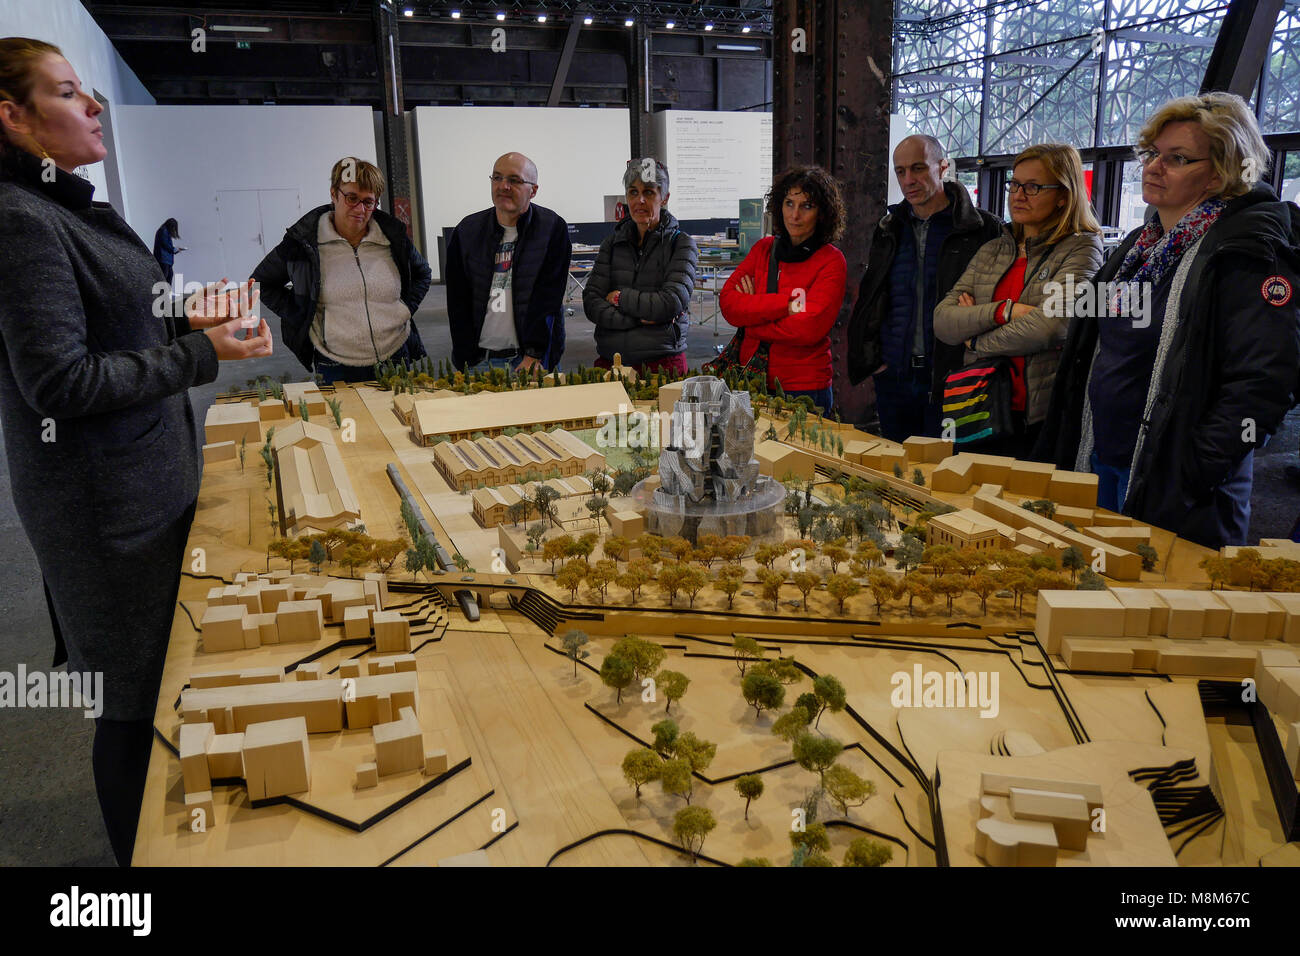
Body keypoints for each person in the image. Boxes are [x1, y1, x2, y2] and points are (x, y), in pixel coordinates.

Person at [0, 38, 271, 865]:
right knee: (128, 702)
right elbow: (61, 383)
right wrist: (201, 356)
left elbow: (104, 324)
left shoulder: (64, 204)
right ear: (12, 116)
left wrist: (181, 319)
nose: (92, 106)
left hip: (137, 489)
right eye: (69, 93)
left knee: (157, 679)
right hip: (104, 512)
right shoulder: (21, 221)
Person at [1036, 93, 1300, 549]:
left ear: (1221, 172)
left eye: (1177, 158)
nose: (1154, 167)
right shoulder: (1143, 244)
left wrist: (1192, 471)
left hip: (1177, 481)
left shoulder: (1248, 253)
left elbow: (1263, 382)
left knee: (1156, 610)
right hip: (1105, 456)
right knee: (1098, 599)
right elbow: (1093, 329)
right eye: (1152, 154)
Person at [933, 143, 1104, 457]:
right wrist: (1004, 311)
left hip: (1037, 419)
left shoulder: (1083, 248)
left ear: (1064, 195)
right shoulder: (994, 249)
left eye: (1033, 187)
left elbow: (1051, 326)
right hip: (978, 405)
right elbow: (943, 321)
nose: (1017, 195)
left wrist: (974, 341)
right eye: (1014, 184)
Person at [846, 134, 1003, 441]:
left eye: (918, 168)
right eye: (901, 171)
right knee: (896, 469)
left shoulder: (981, 229)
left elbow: (996, 300)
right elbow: (875, 296)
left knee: (946, 475)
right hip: (895, 375)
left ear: (943, 167)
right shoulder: (889, 228)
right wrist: (878, 363)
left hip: (954, 374)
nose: (909, 180)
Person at [252, 156, 430, 385]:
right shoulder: (304, 242)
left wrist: (404, 309)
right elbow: (262, 282)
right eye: (352, 198)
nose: (360, 209)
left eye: (368, 202)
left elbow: (423, 273)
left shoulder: (392, 238)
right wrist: (303, 314)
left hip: (395, 357)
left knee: (399, 419)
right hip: (336, 365)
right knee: (343, 420)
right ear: (334, 194)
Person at [718, 165, 847, 412]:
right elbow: (728, 304)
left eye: (806, 206)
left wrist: (752, 317)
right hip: (752, 379)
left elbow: (808, 328)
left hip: (803, 388)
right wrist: (786, 305)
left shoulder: (831, 260)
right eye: (789, 203)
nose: (794, 215)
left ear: (822, 213)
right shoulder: (763, 249)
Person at [446, 151, 572, 374]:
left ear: (533, 190)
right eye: (497, 178)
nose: (503, 186)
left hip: (530, 363)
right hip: (478, 361)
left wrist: (534, 354)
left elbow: (548, 299)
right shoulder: (467, 230)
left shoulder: (551, 228)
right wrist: (465, 357)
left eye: (514, 180)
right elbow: (458, 302)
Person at [583, 158, 698, 377]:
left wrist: (619, 299)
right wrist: (639, 319)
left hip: (662, 365)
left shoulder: (681, 244)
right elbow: (591, 301)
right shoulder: (612, 244)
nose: (640, 201)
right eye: (633, 192)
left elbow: (671, 302)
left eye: (649, 192)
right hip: (611, 363)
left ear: (664, 198)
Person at [152, 217, 184, 284]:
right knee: (164, 277)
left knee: (168, 276)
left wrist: (175, 249)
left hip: (165, 260)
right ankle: (162, 293)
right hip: (163, 259)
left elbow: (165, 244)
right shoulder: (163, 231)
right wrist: (174, 250)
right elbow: (165, 245)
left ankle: (166, 293)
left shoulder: (164, 231)